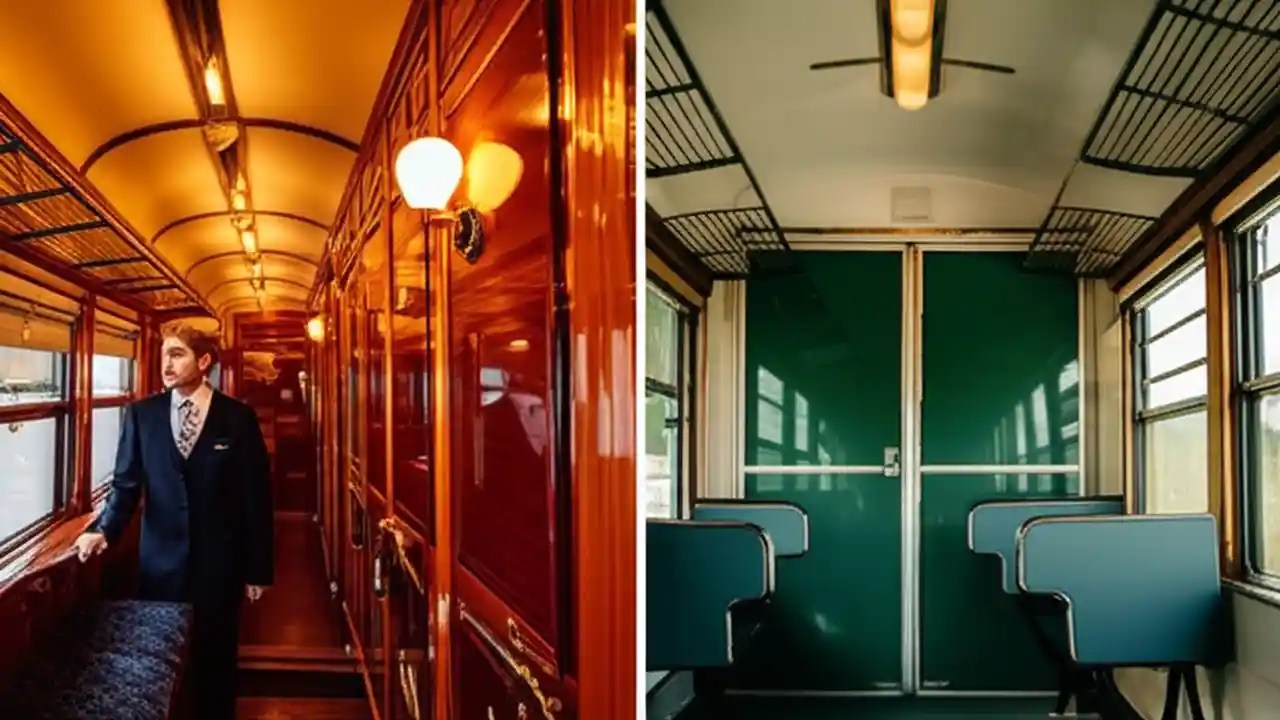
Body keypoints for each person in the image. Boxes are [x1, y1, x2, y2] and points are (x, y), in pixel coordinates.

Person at [73, 324, 274, 719]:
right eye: (164, 354)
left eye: (177, 354)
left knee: (216, 661)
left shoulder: (238, 419)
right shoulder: (141, 415)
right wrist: (102, 531)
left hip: (220, 564)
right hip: (160, 562)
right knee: (159, 660)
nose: (166, 363)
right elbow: (126, 486)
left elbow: (256, 498)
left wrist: (258, 570)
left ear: (204, 362)